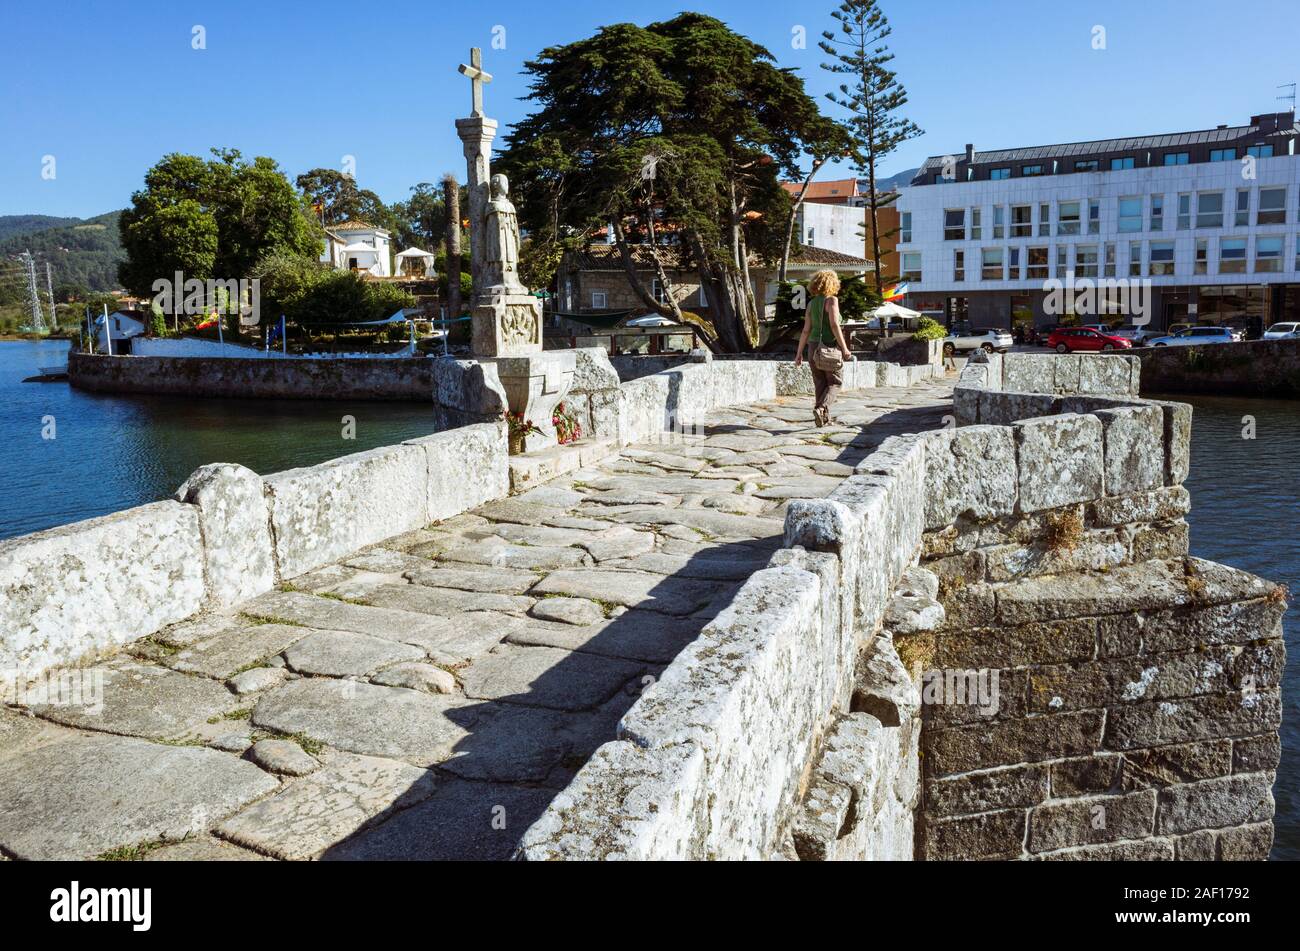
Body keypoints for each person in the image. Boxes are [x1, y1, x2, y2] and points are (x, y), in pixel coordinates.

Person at [794, 269, 853, 427]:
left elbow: (806, 330)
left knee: (820, 383)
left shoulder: (811, 304)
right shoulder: (832, 300)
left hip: (813, 348)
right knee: (835, 383)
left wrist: (799, 353)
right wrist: (845, 348)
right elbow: (834, 325)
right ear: (833, 283)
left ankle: (824, 418)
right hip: (830, 347)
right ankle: (821, 408)